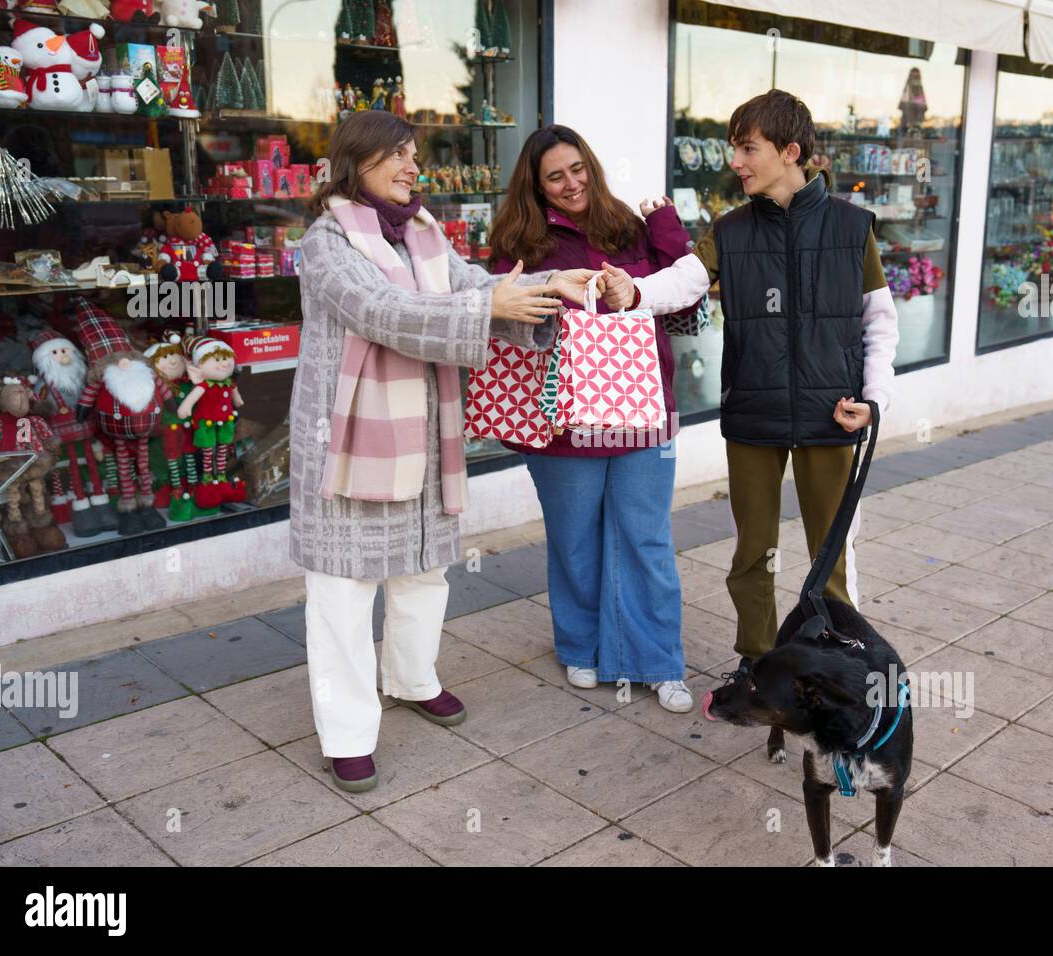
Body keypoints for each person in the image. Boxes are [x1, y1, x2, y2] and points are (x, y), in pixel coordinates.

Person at [291, 111, 593, 792]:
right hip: (351, 440)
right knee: (343, 588)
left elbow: (474, 289)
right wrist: (494, 307)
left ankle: (411, 678)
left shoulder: (424, 232)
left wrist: (548, 293)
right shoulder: (326, 242)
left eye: (412, 154)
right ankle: (346, 732)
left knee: (425, 567)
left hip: (426, 434)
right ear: (354, 163)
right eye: (395, 155)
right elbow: (384, 314)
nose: (410, 166)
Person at [599, 90, 899, 677]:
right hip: (753, 416)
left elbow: (879, 323)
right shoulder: (731, 229)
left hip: (831, 414)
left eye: (746, 148)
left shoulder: (851, 226)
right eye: (733, 147)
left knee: (832, 555)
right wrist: (633, 294)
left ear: (790, 152)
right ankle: (758, 666)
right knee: (751, 555)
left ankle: (838, 665)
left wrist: (874, 401)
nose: (735, 161)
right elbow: (682, 281)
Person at [488, 124, 696, 713]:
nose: (571, 183)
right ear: (535, 186)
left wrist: (664, 231)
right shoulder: (517, 238)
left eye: (578, 169)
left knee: (647, 538)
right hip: (559, 416)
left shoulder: (629, 224)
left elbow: (688, 297)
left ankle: (658, 661)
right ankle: (580, 646)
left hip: (642, 409)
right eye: (555, 176)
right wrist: (554, 290)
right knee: (575, 540)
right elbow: (502, 319)